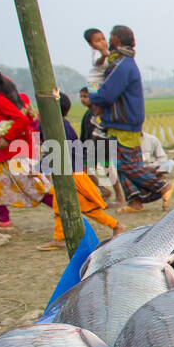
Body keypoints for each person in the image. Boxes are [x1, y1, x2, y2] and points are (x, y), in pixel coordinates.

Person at [88, 24, 173, 212]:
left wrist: (92, 96)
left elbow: (106, 94)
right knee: (129, 163)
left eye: (108, 37)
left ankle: (161, 186)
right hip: (127, 120)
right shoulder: (122, 62)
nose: (106, 41)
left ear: (116, 40)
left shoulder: (121, 65)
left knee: (122, 163)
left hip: (122, 122)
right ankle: (135, 202)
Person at [36, 92, 122, 250]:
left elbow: (56, 151)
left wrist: (41, 166)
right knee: (58, 205)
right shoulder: (61, 125)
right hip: (66, 172)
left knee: (87, 209)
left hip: (72, 174)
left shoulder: (58, 127)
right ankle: (59, 237)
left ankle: (115, 225)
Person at [0, 64, 53, 230]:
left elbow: (21, 120)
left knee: (34, 187)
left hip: (15, 152)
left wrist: (7, 139)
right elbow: (3, 124)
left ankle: (64, 210)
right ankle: (3, 219)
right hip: (6, 154)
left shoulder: (0, 101)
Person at [79, 86, 121, 206]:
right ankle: (109, 192)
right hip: (95, 144)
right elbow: (84, 134)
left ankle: (109, 192)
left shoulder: (97, 112)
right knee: (105, 169)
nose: (83, 99)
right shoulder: (89, 114)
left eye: (85, 96)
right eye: (81, 96)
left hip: (101, 143)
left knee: (91, 169)